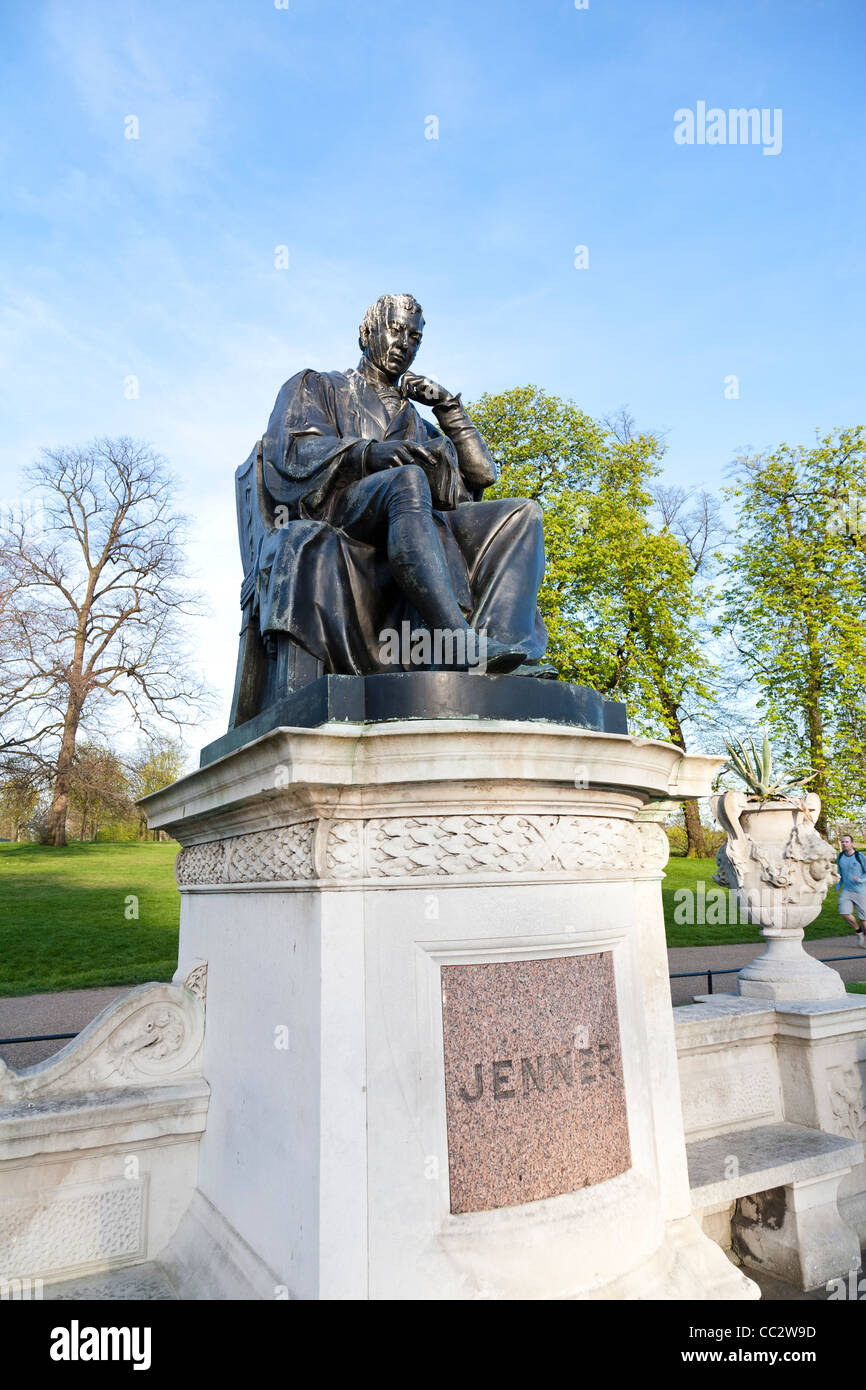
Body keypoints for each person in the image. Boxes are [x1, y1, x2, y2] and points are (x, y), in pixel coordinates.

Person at [255, 293, 548, 675]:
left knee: (522, 514)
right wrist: (367, 454)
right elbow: (293, 449)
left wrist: (447, 406)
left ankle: (503, 657)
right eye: (396, 330)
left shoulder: (418, 423)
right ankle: (457, 642)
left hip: (415, 519)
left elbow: (481, 476)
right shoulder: (319, 386)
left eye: (415, 337)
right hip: (339, 507)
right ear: (366, 333)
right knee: (407, 479)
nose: (404, 344)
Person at [836, 833, 866, 946]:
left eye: (847, 842)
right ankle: (859, 931)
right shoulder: (840, 857)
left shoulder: (860, 856)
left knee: (864, 919)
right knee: (844, 913)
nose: (844, 844)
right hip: (847, 890)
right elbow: (840, 872)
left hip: (861, 891)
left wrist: (860, 879)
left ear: (852, 843)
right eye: (843, 842)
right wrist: (838, 885)